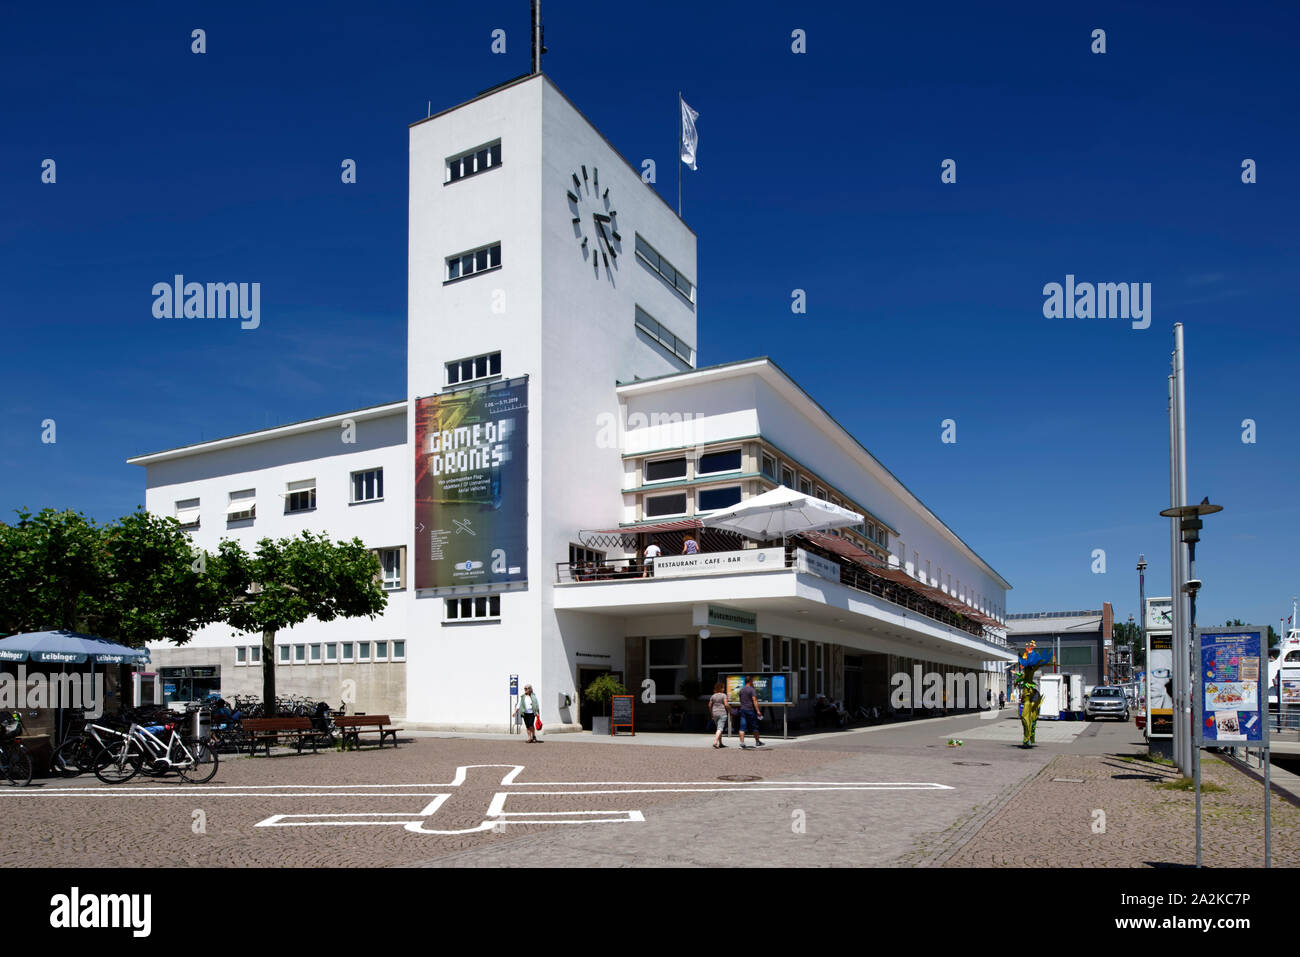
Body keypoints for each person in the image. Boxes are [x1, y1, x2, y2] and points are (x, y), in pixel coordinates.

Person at [737, 675, 764, 749]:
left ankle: (742, 743)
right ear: (750, 681)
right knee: (754, 726)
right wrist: (758, 711)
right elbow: (754, 700)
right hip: (750, 710)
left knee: (742, 727)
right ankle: (757, 742)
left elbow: (740, 700)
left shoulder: (741, 690)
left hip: (743, 709)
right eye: (752, 681)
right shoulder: (752, 690)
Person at [709, 682, 729, 748]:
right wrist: (730, 710)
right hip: (722, 713)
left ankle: (720, 743)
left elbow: (709, 705)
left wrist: (711, 713)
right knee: (720, 728)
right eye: (723, 687)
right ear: (721, 688)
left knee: (718, 728)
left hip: (714, 713)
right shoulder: (723, 695)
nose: (724, 689)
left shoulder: (713, 696)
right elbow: (726, 704)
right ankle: (715, 742)